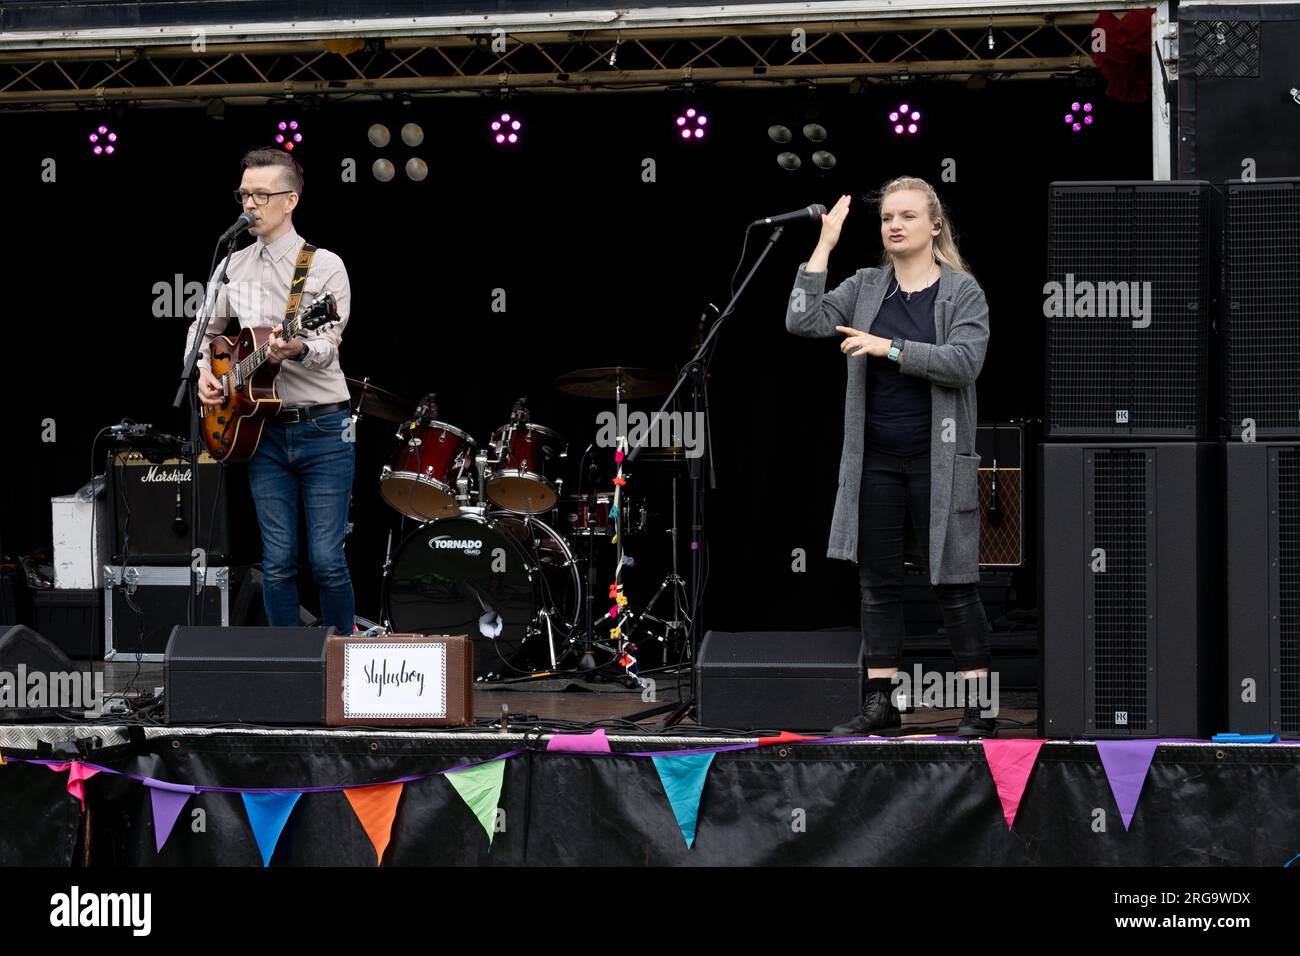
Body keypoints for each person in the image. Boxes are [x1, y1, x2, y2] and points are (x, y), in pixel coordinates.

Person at [784, 176, 996, 737]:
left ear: (935, 226)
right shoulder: (865, 286)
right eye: (886, 218)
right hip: (875, 457)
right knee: (877, 583)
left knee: (953, 580)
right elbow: (802, 321)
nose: (894, 225)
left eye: (907, 216)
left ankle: (979, 706)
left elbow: (963, 363)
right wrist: (824, 245)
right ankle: (883, 703)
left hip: (938, 458)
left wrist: (891, 348)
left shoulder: (962, 293)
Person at [185, 147, 356, 634]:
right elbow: (203, 331)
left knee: (326, 561)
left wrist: (295, 347)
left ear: (291, 200)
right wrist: (205, 373)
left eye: (261, 195)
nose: (249, 205)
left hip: (324, 428)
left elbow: (326, 345)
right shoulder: (231, 265)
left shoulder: (323, 265)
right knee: (277, 562)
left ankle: (346, 664)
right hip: (261, 431)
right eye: (244, 194)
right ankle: (289, 669)